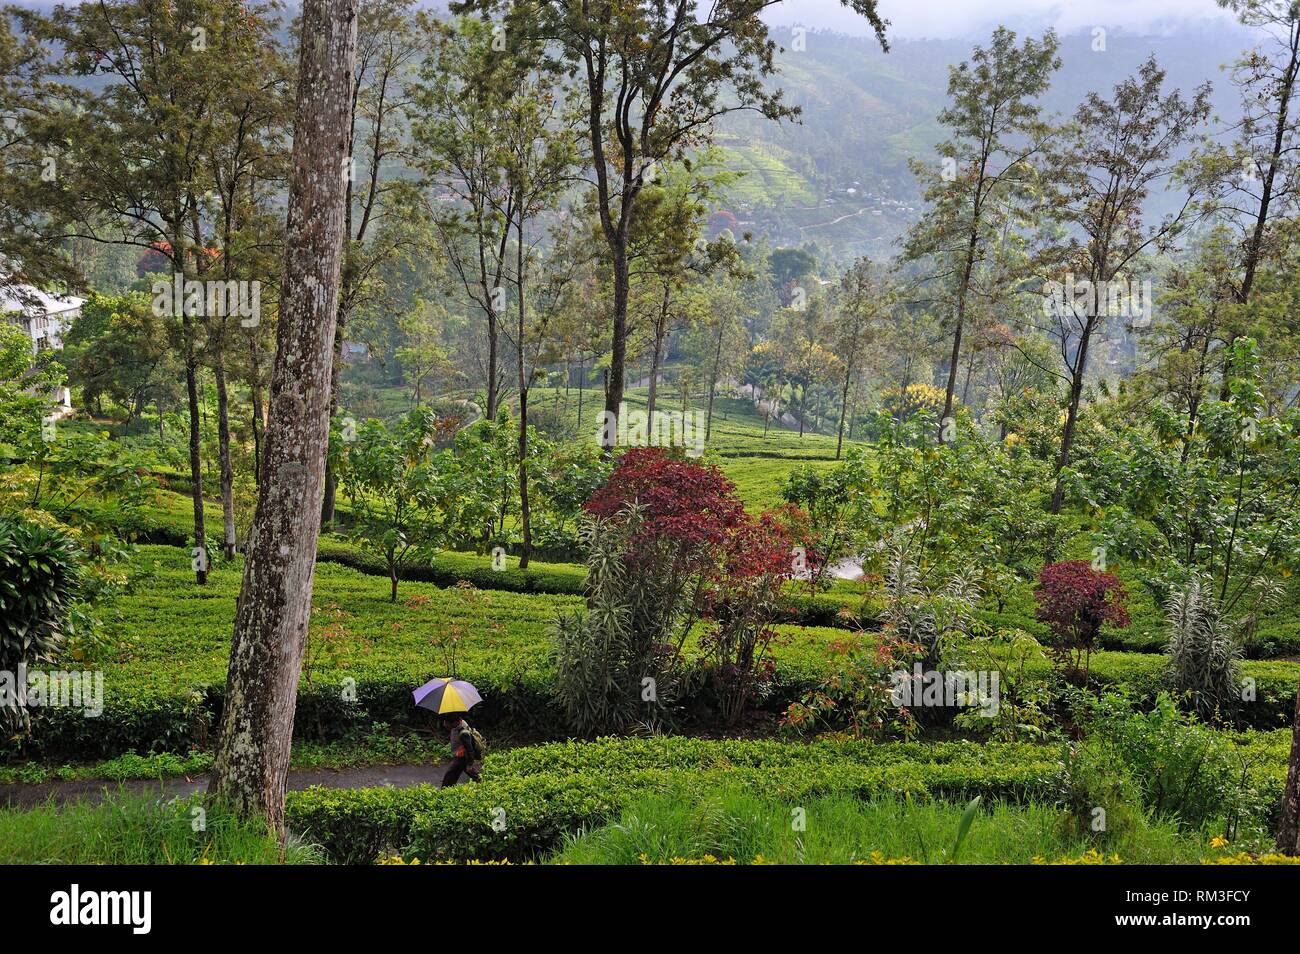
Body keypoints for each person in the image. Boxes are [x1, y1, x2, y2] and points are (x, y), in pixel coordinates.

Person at [441, 713, 483, 788]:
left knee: (450, 775)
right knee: (468, 773)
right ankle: (483, 782)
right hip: (460, 755)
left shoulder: (464, 733)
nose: (445, 725)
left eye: (448, 723)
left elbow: (470, 750)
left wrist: (469, 764)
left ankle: (444, 791)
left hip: (463, 757)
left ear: (455, 723)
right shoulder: (459, 723)